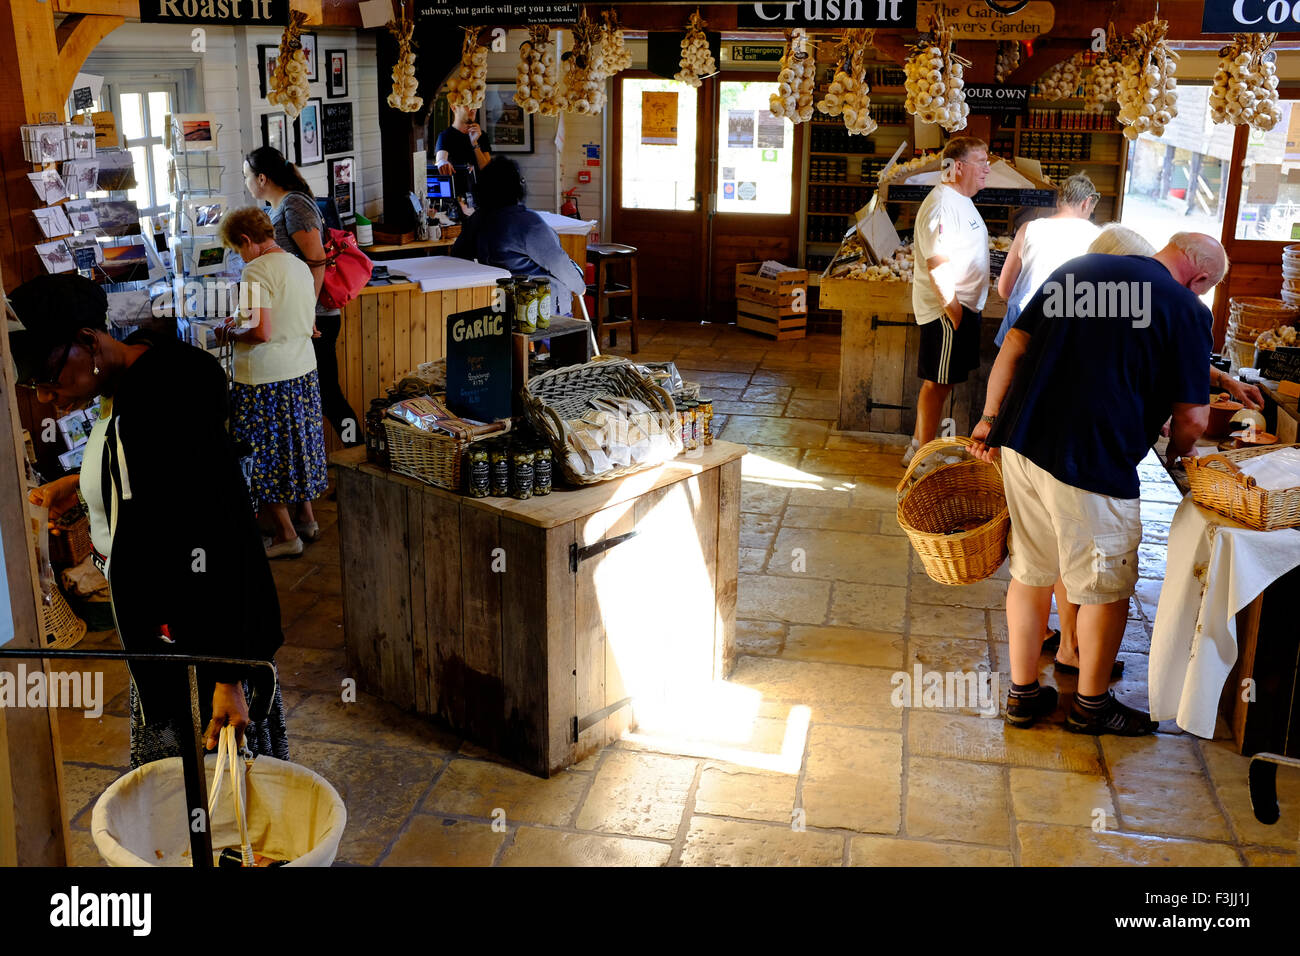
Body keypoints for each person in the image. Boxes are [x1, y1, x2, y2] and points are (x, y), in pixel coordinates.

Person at [12, 274, 287, 767]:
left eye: (50, 377)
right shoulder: (126, 383)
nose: (48, 397)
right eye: (35, 386)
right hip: (162, 633)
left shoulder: (167, 400)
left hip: (199, 644)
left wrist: (228, 675)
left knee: (221, 793)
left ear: (88, 340)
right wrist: (81, 484)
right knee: (184, 798)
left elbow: (217, 532)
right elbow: (145, 478)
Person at [971, 232, 1228, 736]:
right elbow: (1194, 416)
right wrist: (1179, 453)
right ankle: (1092, 705)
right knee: (1106, 589)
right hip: (1094, 459)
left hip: (1024, 441)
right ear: (1199, 280)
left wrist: (988, 419)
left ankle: (1023, 695)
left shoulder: (1080, 269)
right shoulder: (1187, 310)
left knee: (1030, 572)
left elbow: (1015, 346)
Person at [244, 146, 359, 543]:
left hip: (315, 319)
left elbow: (317, 261)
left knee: (330, 398)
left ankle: (361, 466)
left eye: (247, 176)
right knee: (319, 402)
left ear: (262, 178)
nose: (246, 183)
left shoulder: (293, 206)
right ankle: (309, 506)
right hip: (304, 319)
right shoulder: (286, 205)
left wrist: (306, 312)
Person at [217, 206, 329, 559]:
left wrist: (229, 330)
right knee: (298, 446)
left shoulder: (255, 271)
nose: (239, 257)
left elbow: (260, 332)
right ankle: (307, 518)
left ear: (247, 241)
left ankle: (285, 534)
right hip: (302, 370)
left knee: (262, 454)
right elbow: (304, 320)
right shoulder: (298, 265)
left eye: (237, 249)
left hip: (265, 379)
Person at [903, 136, 991, 468]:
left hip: (962, 308)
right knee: (937, 384)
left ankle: (917, 447)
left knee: (945, 381)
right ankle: (924, 460)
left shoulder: (961, 199)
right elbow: (937, 264)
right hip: (947, 311)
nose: (987, 170)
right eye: (980, 162)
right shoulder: (941, 204)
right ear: (957, 167)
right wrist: (954, 311)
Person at [451, 155, 586, 316]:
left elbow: (458, 256)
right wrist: (580, 287)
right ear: (516, 187)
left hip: (495, 303)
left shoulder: (477, 220)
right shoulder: (529, 223)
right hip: (537, 305)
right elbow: (557, 262)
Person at [994, 173, 1101, 348]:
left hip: (1021, 323)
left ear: (1059, 201)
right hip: (1065, 330)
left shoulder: (1028, 229)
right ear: (1086, 202)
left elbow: (1005, 289)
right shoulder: (1098, 237)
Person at [435, 105, 492, 213]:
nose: (473, 108)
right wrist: (442, 162)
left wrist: (474, 142)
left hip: (482, 202)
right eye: (468, 105)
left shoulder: (482, 136)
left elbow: (488, 170)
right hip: (456, 205)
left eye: (475, 104)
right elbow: (441, 159)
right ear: (453, 107)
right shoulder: (445, 136)